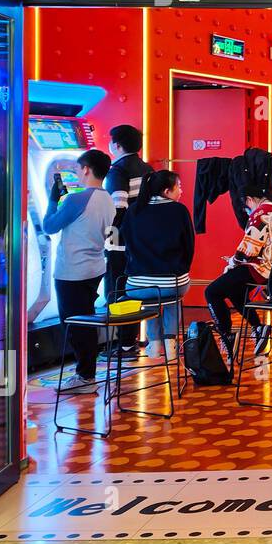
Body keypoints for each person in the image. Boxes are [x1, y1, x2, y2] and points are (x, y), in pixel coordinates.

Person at [44, 149, 116, 390]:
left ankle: (85, 376)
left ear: (86, 169)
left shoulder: (76, 199)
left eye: (77, 168)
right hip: (94, 268)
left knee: (74, 325)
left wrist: (53, 200)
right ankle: (87, 373)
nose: (75, 173)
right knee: (85, 321)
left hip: (71, 271)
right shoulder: (108, 198)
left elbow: (49, 226)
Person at [204, 184, 272, 362]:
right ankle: (258, 327)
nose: (247, 211)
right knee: (232, 287)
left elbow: (247, 251)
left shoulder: (260, 215)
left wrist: (231, 262)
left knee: (212, 291)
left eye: (246, 207)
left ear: (249, 200)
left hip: (264, 270)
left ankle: (227, 336)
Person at [120, 170, 195, 362]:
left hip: (137, 285)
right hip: (172, 281)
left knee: (151, 298)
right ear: (167, 190)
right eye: (178, 186)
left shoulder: (134, 210)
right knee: (172, 296)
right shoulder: (179, 210)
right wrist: (182, 268)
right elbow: (189, 246)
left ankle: (153, 343)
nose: (181, 190)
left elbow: (125, 243)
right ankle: (170, 343)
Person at [104, 124, 153, 358]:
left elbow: (118, 207)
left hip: (120, 241)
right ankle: (130, 341)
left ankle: (123, 344)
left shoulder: (117, 171)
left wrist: (108, 238)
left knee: (117, 289)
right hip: (142, 239)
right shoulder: (147, 168)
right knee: (133, 289)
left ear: (117, 145)